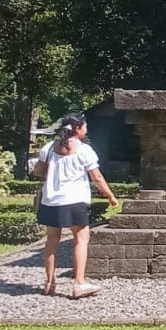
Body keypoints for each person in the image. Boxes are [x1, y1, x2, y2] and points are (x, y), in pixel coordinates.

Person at [32, 112, 119, 298]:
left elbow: (38, 171)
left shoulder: (48, 148)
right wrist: (110, 196)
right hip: (74, 199)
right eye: (85, 126)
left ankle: (49, 282)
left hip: (51, 200)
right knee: (80, 239)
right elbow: (96, 177)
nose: (86, 130)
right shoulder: (84, 150)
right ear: (78, 128)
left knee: (51, 241)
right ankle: (79, 283)